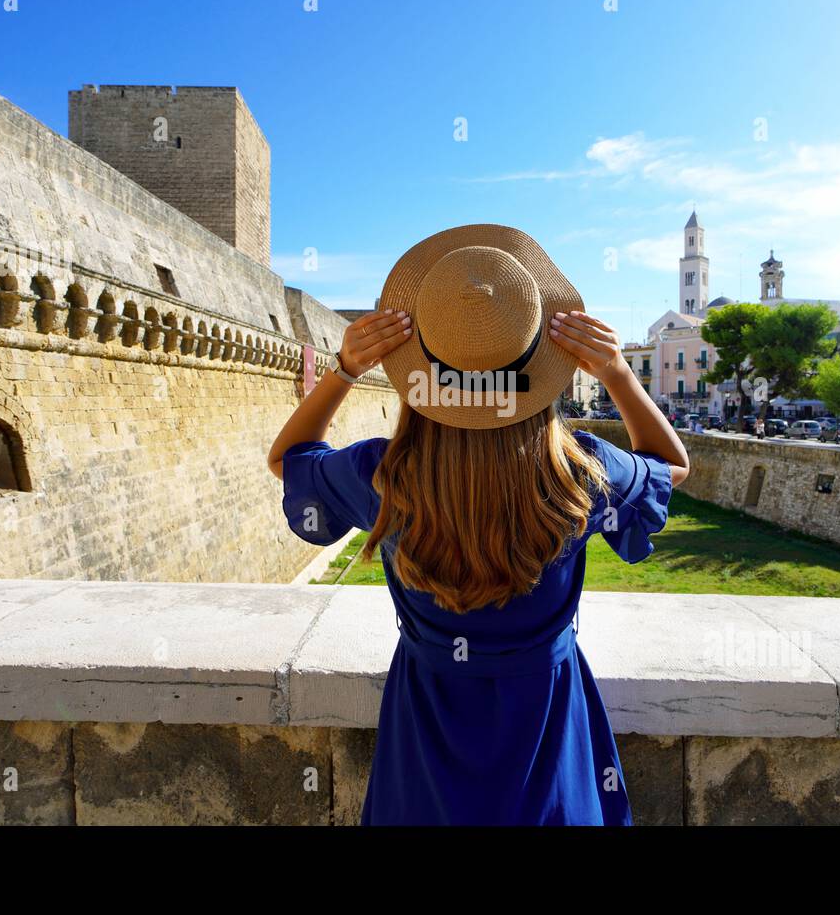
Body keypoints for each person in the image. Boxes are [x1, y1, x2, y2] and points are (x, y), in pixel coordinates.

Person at [267, 224, 690, 825]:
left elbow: (287, 461)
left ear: (420, 375)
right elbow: (672, 465)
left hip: (426, 731)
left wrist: (342, 369)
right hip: (545, 719)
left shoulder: (382, 476)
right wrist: (618, 373)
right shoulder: (580, 474)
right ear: (541, 366)